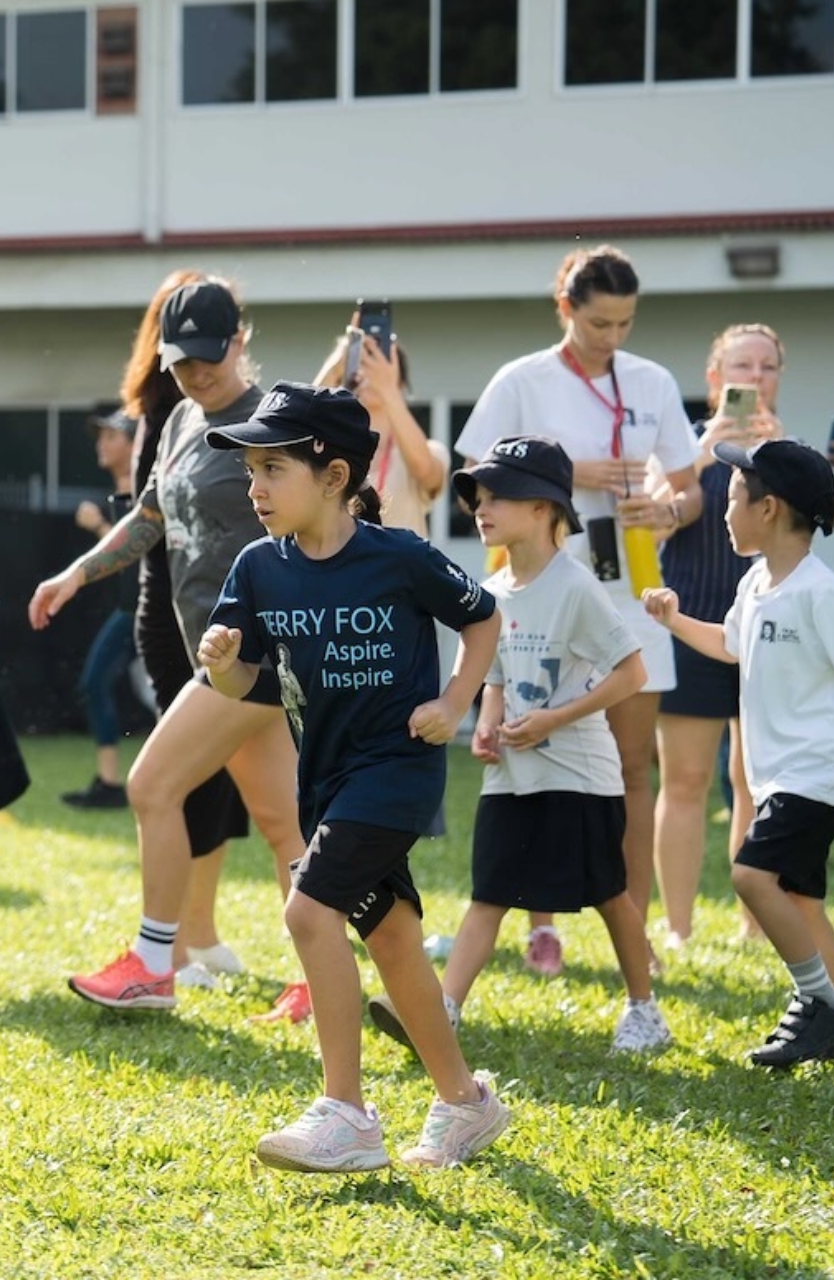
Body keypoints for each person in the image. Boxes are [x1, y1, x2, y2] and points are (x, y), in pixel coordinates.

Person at [200, 382, 509, 1173]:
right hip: (327, 781)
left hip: (395, 771)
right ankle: (466, 1103)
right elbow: (245, 686)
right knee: (395, 941)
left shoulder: (397, 556)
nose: (256, 487)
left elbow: (482, 617)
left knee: (308, 913)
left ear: (334, 476)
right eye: (251, 471)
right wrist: (225, 666)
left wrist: (454, 702)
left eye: (273, 469)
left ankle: (346, 1114)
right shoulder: (258, 568)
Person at [31, 276, 308, 1018]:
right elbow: (151, 514)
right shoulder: (183, 417)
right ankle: (322, 978)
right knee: (283, 822)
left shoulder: (273, 422)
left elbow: (320, 522)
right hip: (210, 651)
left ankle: (156, 963)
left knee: (152, 786)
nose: (195, 372)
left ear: (240, 340)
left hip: (255, 651)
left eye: (208, 356)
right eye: (180, 360)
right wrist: (76, 574)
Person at [455, 245, 700, 976]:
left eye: (625, 324)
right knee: (531, 754)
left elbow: (689, 489)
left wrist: (666, 510)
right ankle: (543, 928)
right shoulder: (521, 380)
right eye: (598, 323)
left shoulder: (652, 381)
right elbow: (476, 480)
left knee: (631, 767)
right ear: (565, 307)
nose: (612, 338)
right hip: (540, 590)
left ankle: (636, 934)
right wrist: (568, 477)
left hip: (632, 586)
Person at [389, 437, 668, 1054]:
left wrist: (554, 719)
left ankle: (644, 1010)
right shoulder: (491, 591)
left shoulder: (575, 586)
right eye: (479, 498)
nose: (481, 509)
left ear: (544, 509)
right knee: (488, 896)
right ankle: (441, 1013)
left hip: (580, 775)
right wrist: (489, 725)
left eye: (498, 498)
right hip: (511, 775)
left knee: (610, 896)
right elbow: (492, 674)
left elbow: (631, 673)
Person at [644, 438, 834, 1067]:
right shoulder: (756, 581)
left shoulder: (821, 592)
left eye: (732, 498)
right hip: (781, 775)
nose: (723, 511)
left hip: (819, 771)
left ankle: (821, 1005)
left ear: (769, 509)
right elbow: (731, 645)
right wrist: (674, 620)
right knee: (800, 899)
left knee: (750, 876)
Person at [649, 325, 786, 948]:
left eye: (766, 367)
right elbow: (648, 526)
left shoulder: (788, 449)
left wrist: (780, 454)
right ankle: (678, 928)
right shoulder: (681, 446)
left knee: (756, 783)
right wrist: (703, 454)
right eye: (742, 367)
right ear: (715, 379)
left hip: (769, 634)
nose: (755, 378)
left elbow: (811, 529)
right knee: (684, 782)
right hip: (691, 626)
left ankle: (755, 925)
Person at [60, 406, 141, 810]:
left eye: (111, 435)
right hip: (132, 608)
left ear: (134, 443)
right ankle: (109, 782)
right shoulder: (123, 489)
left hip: (149, 611)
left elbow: (138, 553)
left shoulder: (142, 488)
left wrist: (98, 527)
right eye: (101, 436)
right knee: (94, 683)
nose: (101, 444)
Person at [311, 326, 447, 534]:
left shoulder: (427, 451)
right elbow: (301, 424)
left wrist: (387, 389)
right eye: (360, 365)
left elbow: (426, 472)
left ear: (400, 381)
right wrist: (336, 365)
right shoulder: (331, 451)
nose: (367, 373)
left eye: (377, 364)